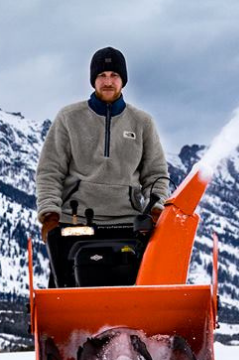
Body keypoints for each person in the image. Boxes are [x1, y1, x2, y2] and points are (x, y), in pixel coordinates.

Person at [36, 46, 170, 241]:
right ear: (93, 80)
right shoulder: (69, 118)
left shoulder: (142, 122)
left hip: (127, 223)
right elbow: (50, 171)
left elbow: (156, 175)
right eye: (102, 75)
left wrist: (155, 210)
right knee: (69, 272)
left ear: (123, 79)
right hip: (75, 222)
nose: (108, 81)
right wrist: (50, 214)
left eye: (114, 75)